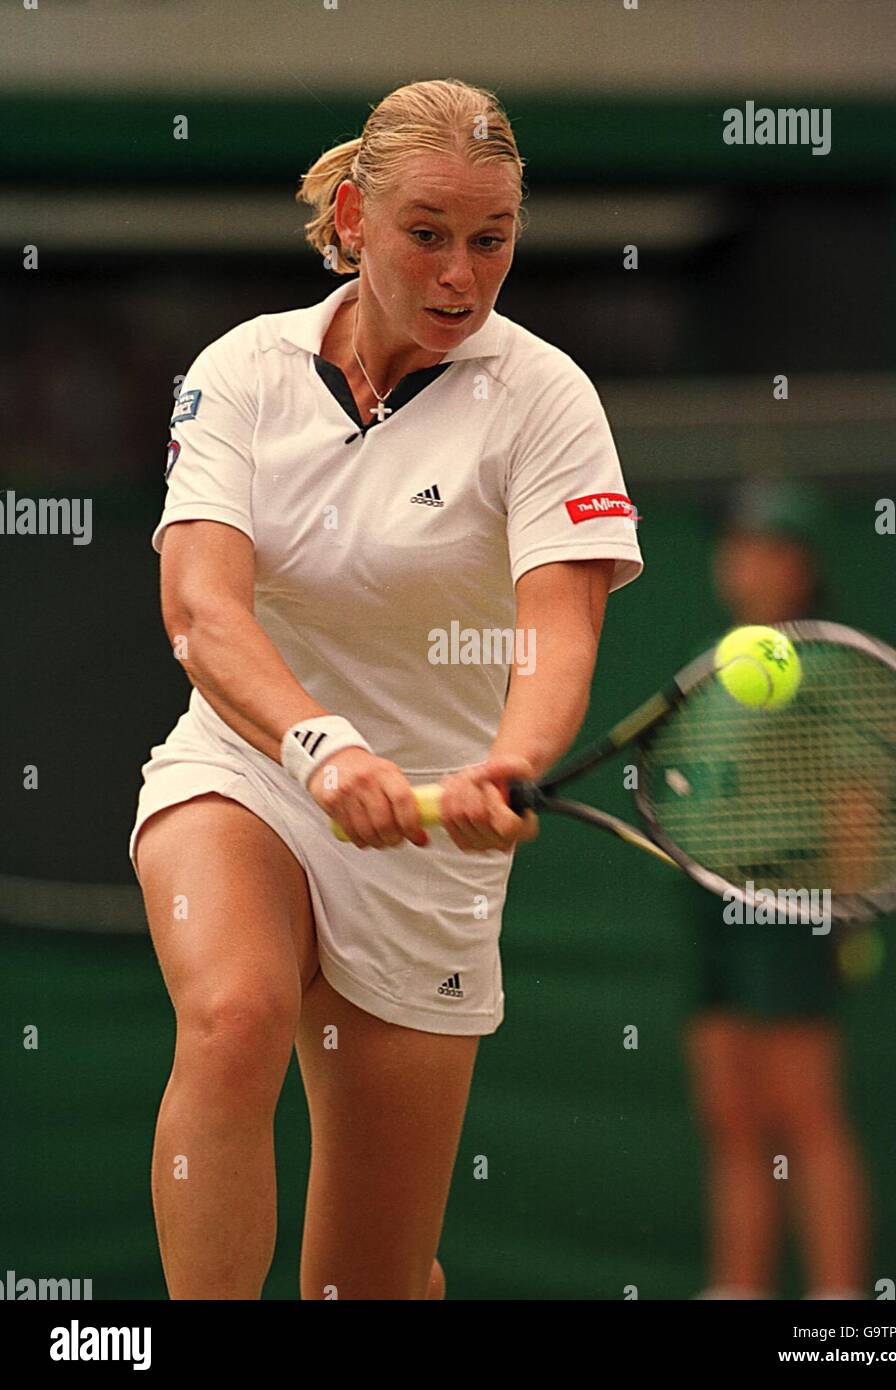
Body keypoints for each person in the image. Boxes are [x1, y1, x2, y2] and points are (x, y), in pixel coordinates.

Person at [129, 78, 643, 1300]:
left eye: (491, 239)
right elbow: (203, 611)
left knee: (369, 1285)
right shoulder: (243, 370)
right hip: (250, 770)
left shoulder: (549, 399)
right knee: (237, 1014)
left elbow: (556, 633)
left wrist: (507, 765)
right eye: (427, 233)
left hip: (433, 853)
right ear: (353, 217)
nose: (462, 274)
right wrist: (321, 749)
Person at [685, 480, 870, 1301]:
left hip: (790, 902)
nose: (742, 563)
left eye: (763, 547)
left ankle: (838, 1310)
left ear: (800, 567)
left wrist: (847, 917)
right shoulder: (718, 669)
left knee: (804, 1114)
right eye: (735, 545)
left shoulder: (826, 666)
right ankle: (739, 1291)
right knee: (730, 1112)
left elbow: (854, 801)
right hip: (709, 902)